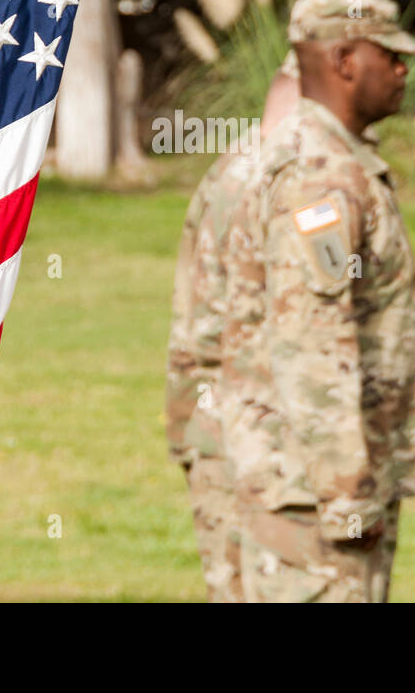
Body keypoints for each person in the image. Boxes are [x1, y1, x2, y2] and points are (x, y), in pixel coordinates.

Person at [219, 0, 415, 603]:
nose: (405, 69)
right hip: (312, 494)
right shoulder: (319, 176)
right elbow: (310, 342)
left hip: (317, 484)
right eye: (392, 55)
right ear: (346, 60)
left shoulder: (334, 160)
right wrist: (346, 494)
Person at [165, 61, 300, 602]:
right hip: (265, 443)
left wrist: (183, 434)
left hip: (214, 430)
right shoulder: (287, 179)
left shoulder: (231, 167)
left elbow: (192, 317)